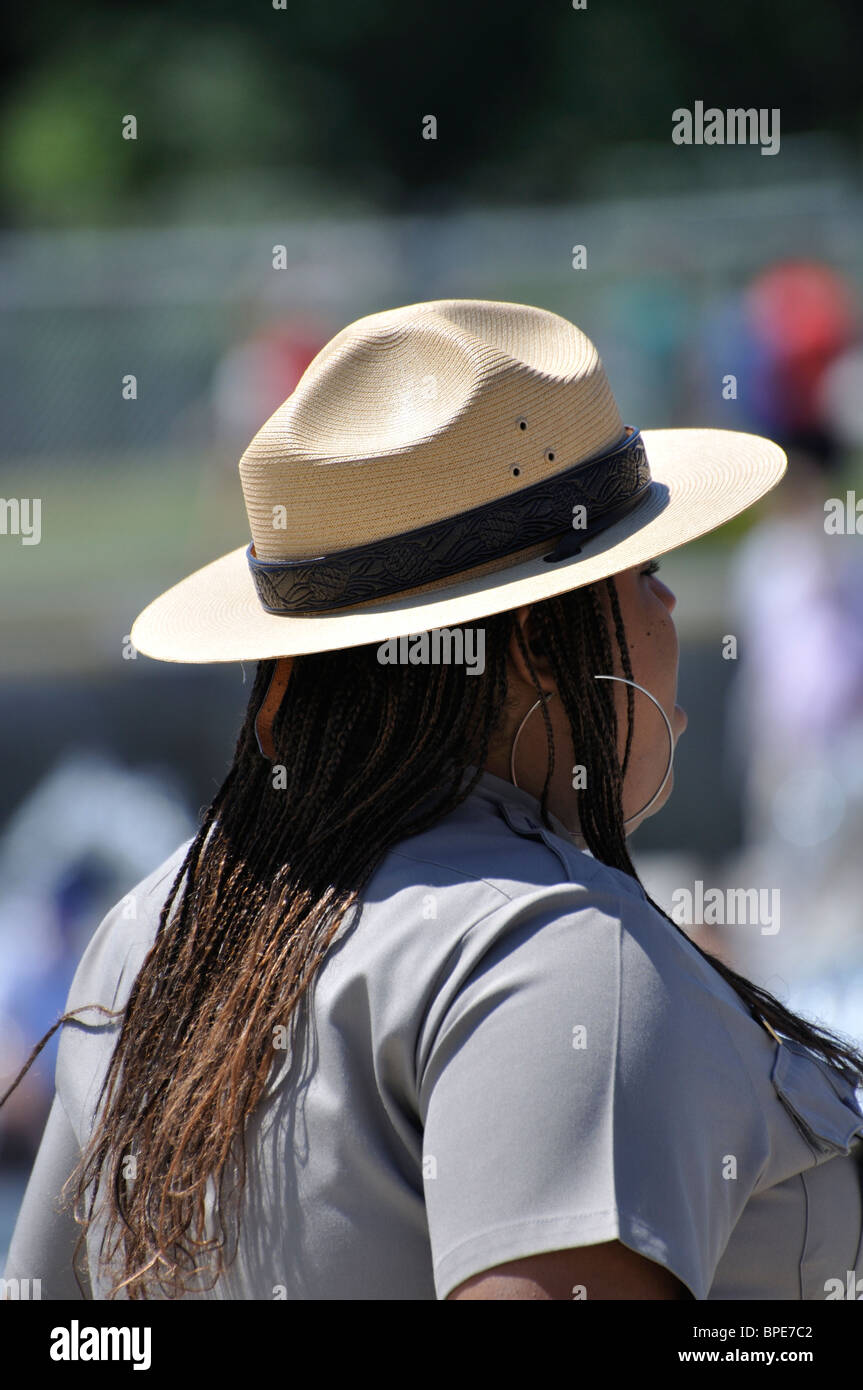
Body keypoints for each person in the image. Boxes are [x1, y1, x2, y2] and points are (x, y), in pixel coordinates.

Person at [3, 298, 863, 1302]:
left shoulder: (156, 928)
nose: (670, 607)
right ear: (544, 642)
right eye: (645, 573)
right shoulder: (560, 952)